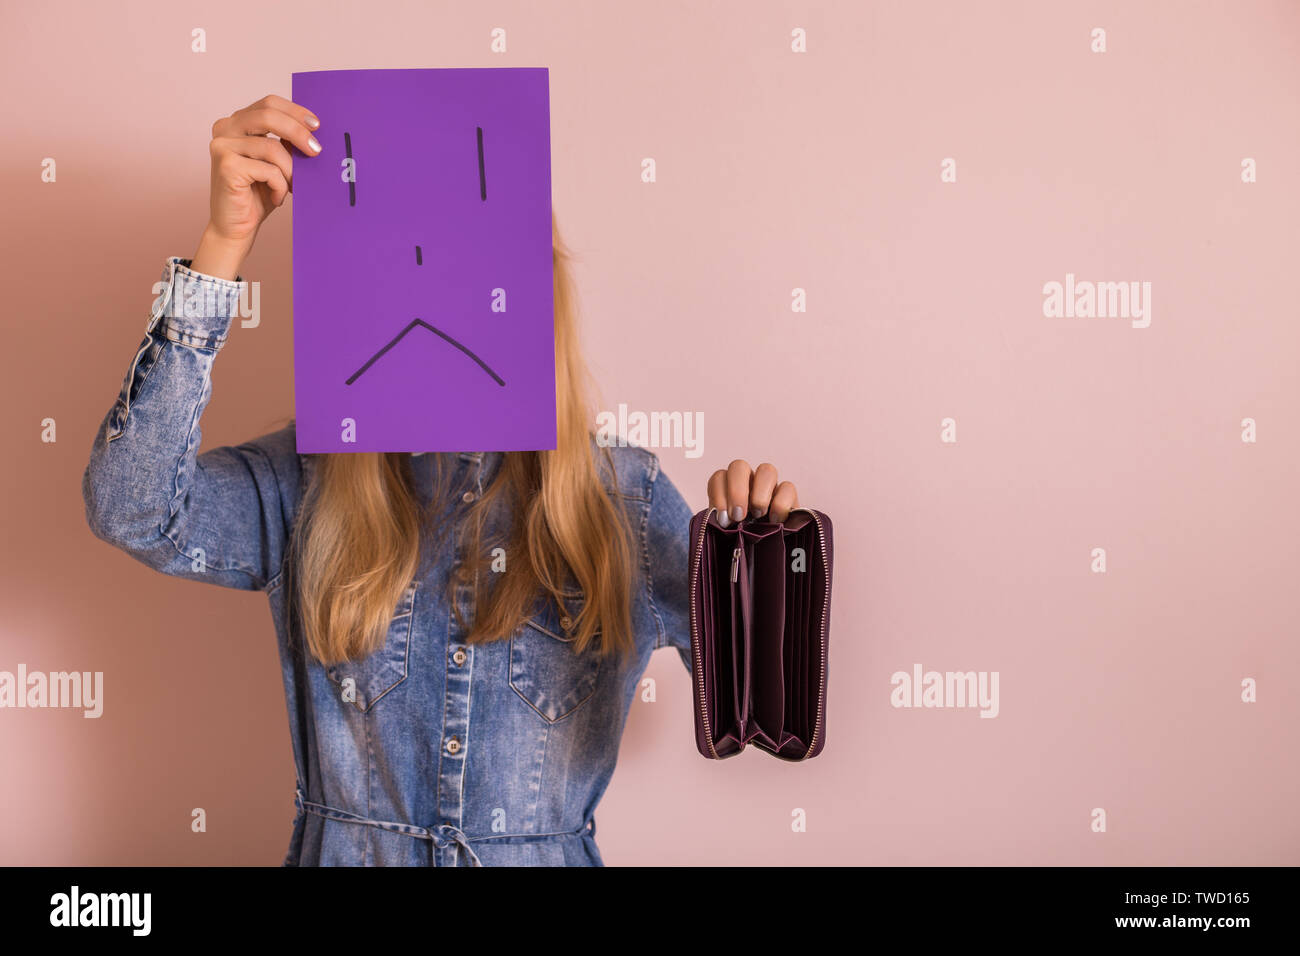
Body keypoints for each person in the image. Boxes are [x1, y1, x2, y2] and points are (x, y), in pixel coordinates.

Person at [81, 94, 801, 866]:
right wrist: (222, 249)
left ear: (535, 292)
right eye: (409, 257)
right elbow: (133, 509)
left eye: (481, 262)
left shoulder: (623, 499)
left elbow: (761, 714)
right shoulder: (307, 485)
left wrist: (758, 568)